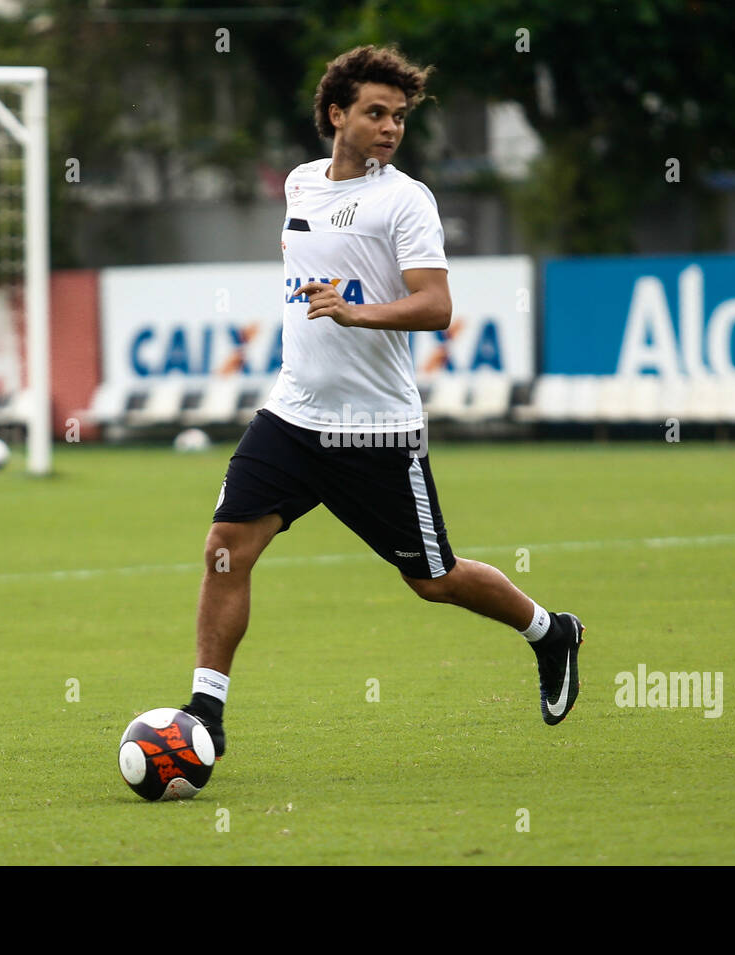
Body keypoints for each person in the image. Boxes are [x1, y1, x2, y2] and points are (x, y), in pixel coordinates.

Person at [182, 45, 583, 757]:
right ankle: (205, 714)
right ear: (337, 115)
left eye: (399, 116)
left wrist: (354, 312)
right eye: (376, 113)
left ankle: (551, 631)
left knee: (434, 580)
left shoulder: (405, 200)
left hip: (375, 429)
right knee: (225, 549)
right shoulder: (301, 184)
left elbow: (436, 306)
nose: (391, 127)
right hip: (292, 414)